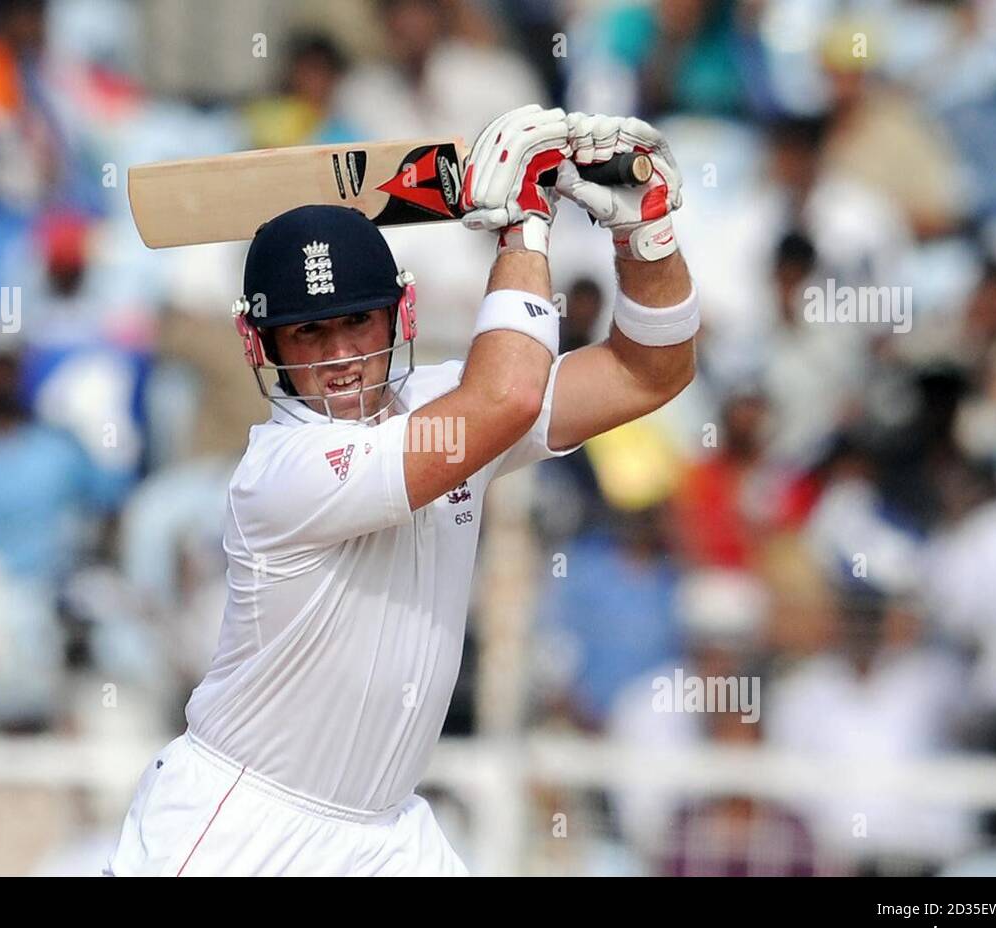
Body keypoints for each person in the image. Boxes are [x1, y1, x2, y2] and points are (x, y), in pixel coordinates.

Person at [108, 105, 699, 876]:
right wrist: (523, 224)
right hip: (240, 828)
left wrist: (645, 236)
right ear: (260, 343)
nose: (340, 356)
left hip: (385, 833)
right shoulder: (280, 471)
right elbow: (507, 398)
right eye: (308, 332)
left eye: (357, 321)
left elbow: (647, 372)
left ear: (401, 313)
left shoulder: (449, 403)